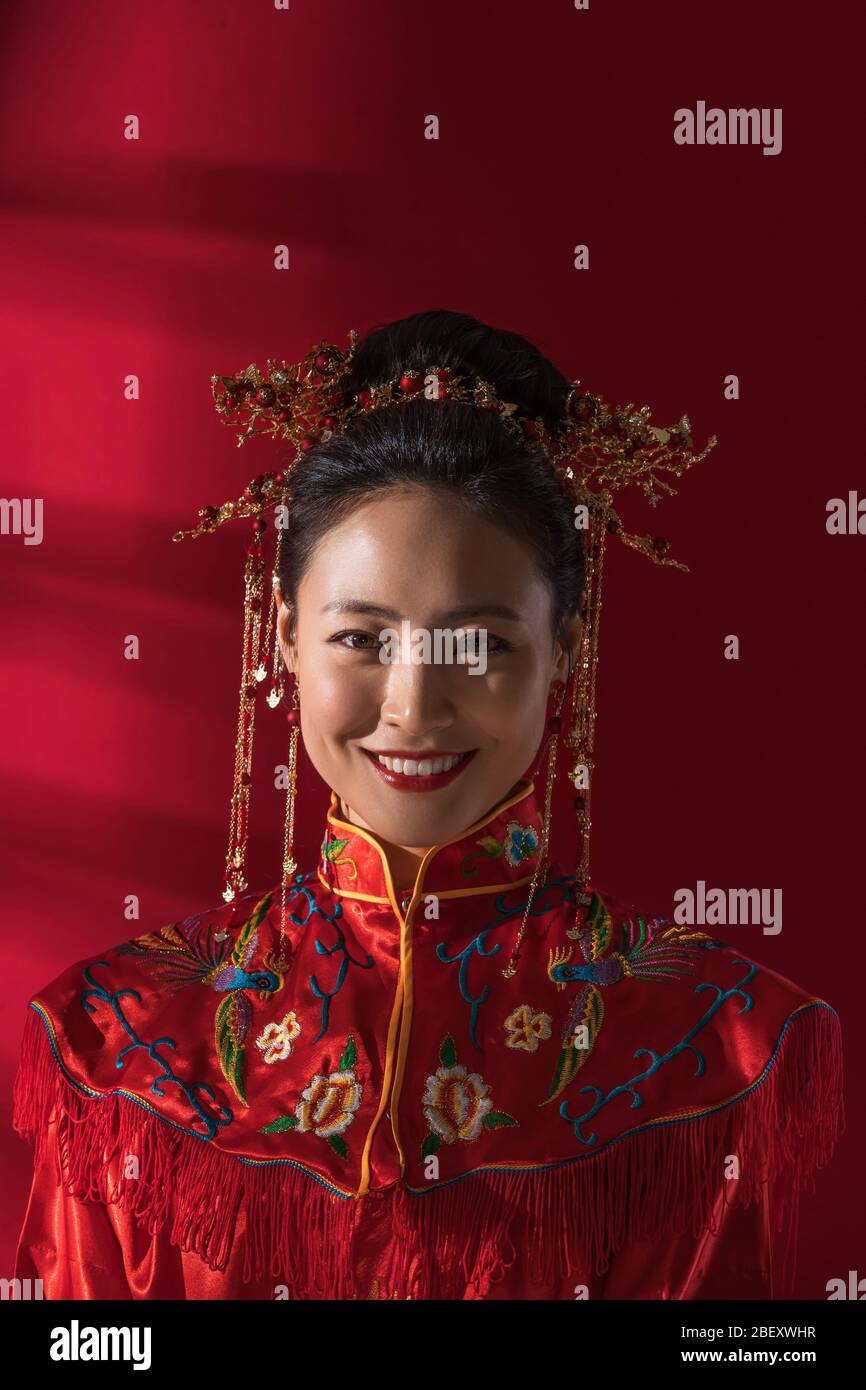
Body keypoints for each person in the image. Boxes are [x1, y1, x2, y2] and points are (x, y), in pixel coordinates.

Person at [12, 309, 844, 1300]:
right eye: (361, 640)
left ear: (562, 648)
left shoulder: (707, 1047)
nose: (411, 706)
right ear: (282, 634)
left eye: (479, 644)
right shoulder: (121, 1044)